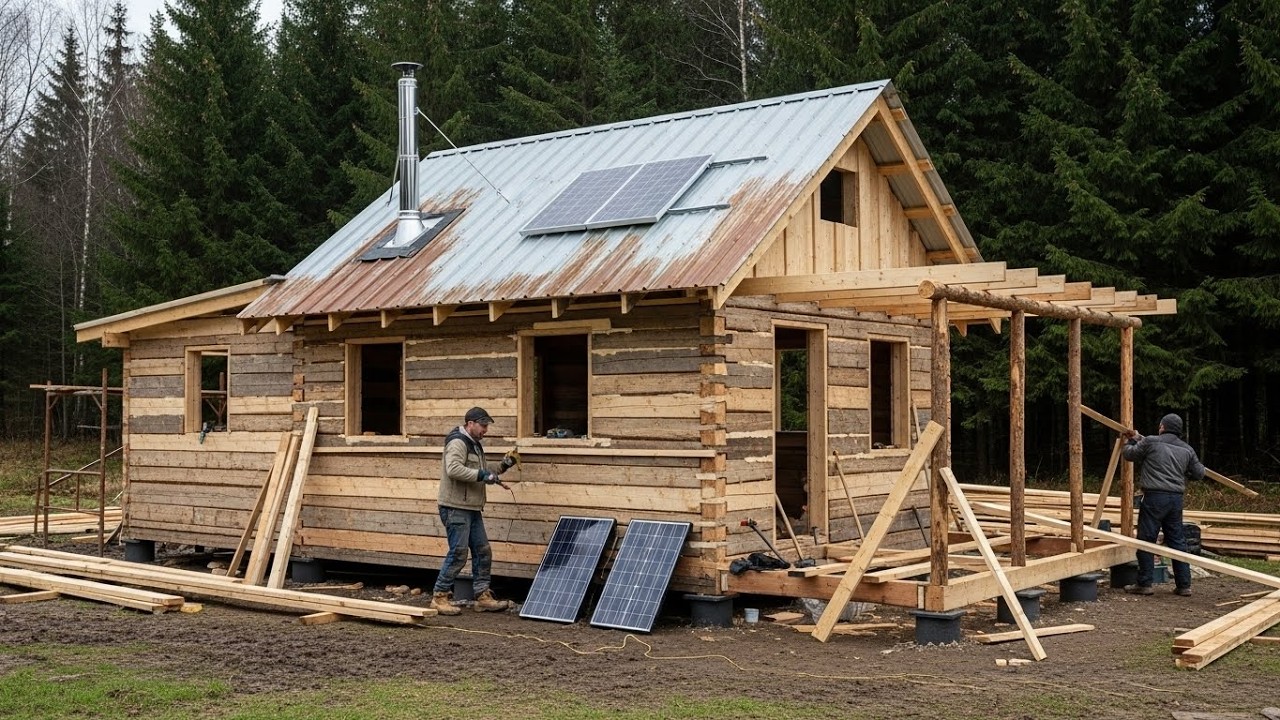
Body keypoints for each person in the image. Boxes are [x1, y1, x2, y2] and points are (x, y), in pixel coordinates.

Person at [431, 407, 518, 615]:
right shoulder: (457, 443)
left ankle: (482, 596)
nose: (486, 430)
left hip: (471, 508)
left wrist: (505, 465)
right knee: (459, 553)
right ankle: (439, 596)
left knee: (482, 551)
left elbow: (484, 472)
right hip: (455, 507)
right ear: (470, 423)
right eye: (483, 425)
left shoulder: (475, 445)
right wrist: (482, 475)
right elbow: (453, 469)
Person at [1120, 413, 1205, 597]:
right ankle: (1184, 585)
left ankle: (1145, 584)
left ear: (1162, 427)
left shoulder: (1151, 442)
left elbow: (1129, 455)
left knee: (1147, 539)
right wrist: (1184, 473)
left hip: (1154, 497)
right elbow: (1199, 473)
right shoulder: (1187, 450)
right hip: (1175, 499)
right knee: (1177, 540)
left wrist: (1129, 442)